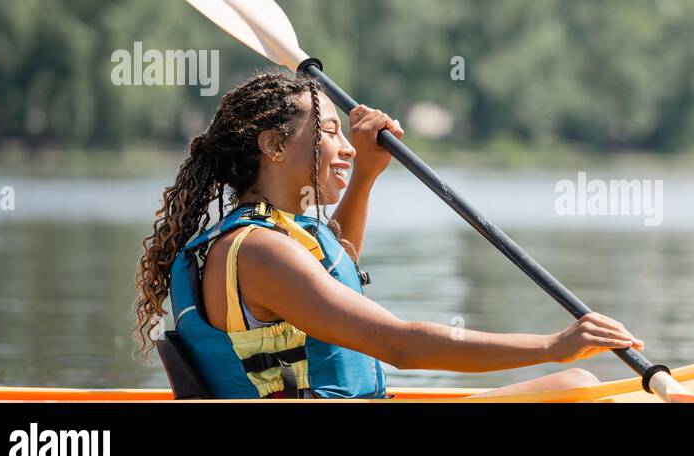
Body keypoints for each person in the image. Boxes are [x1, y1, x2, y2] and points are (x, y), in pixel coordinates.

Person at [131, 71, 642, 399]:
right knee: (578, 385)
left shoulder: (274, 238)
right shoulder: (260, 252)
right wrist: (553, 344)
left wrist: (368, 175)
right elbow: (398, 346)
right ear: (273, 145)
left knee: (577, 385)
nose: (346, 147)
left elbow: (337, 267)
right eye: (328, 131)